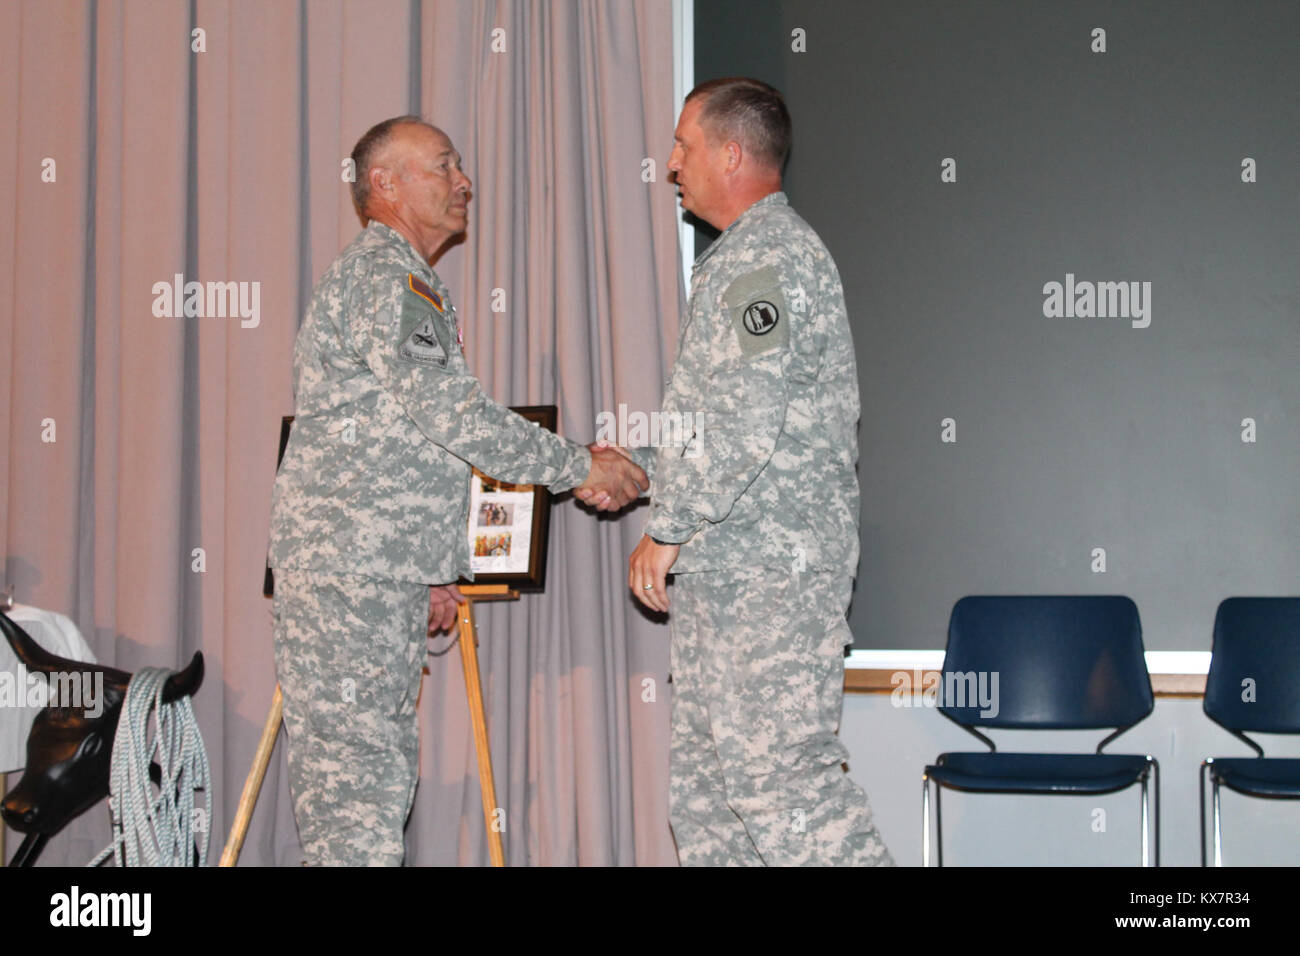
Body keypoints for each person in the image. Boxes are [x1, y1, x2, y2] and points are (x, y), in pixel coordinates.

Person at [268, 115, 646, 866]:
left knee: (366, 801)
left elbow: (407, 437)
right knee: (357, 818)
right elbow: (451, 416)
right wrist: (581, 466)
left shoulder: (401, 278)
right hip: (353, 581)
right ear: (385, 185)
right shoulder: (389, 277)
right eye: (443, 165)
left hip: (373, 573)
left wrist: (433, 565)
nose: (464, 181)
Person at [625, 78, 894, 866]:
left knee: (786, 793)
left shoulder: (767, 258)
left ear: (732, 154)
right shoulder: (737, 260)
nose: (672, 164)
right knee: (711, 807)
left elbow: (743, 422)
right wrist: (639, 469)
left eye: (685, 145)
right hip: (727, 575)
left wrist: (665, 530)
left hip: (769, 576)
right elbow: (716, 426)